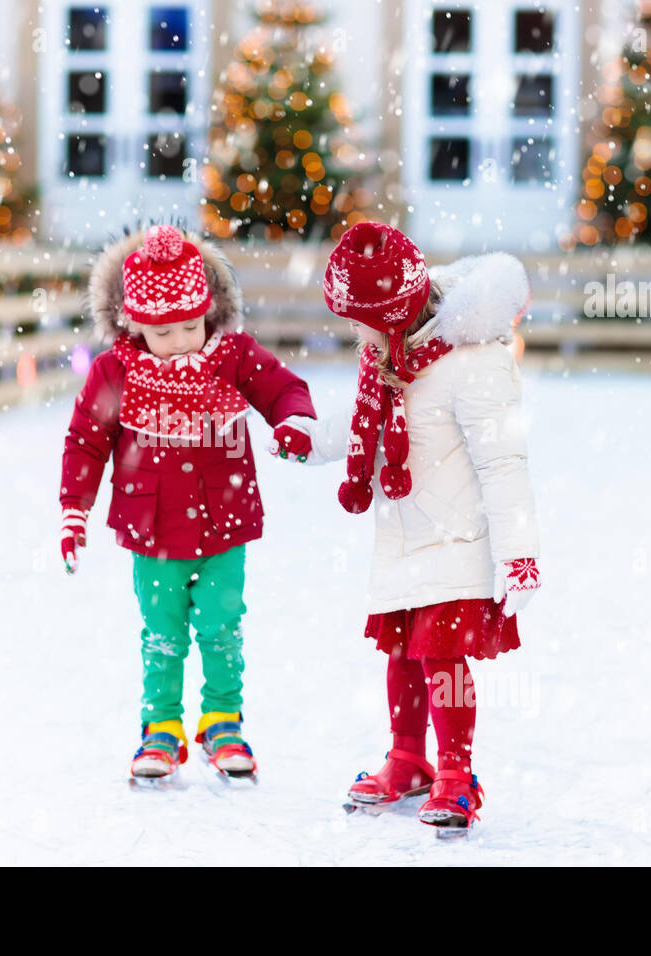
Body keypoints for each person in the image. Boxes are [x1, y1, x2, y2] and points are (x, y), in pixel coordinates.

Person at [277, 221, 541, 829]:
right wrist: (311, 440)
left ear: (390, 316)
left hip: (459, 541)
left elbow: (504, 462)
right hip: (404, 538)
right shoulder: (390, 360)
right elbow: (358, 423)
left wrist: (519, 553)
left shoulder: (472, 363)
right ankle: (408, 758)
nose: (353, 332)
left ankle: (455, 773)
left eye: (357, 320)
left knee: (442, 658)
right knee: (402, 654)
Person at [59, 224, 316, 782]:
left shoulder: (233, 356)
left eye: (191, 326)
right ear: (135, 325)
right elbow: (86, 440)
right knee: (162, 632)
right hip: (151, 529)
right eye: (164, 331)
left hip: (225, 523)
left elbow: (283, 389)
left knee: (222, 626)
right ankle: (161, 727)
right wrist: (74, 510)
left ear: (209, 313)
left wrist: (294, 421)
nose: (180, 341)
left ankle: (223, 720)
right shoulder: (115, 372)